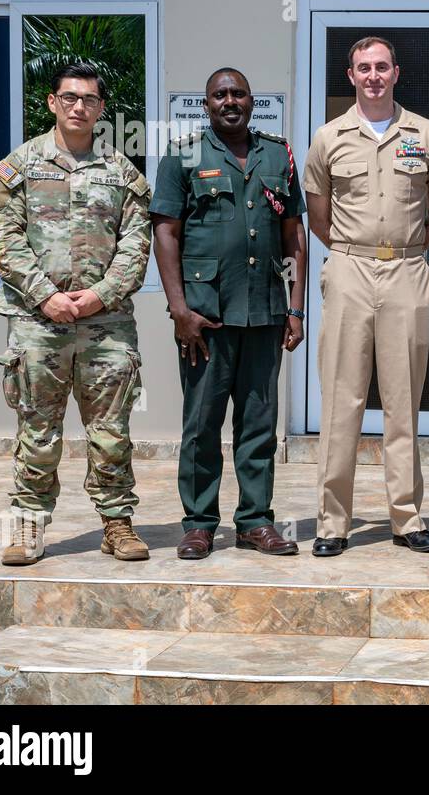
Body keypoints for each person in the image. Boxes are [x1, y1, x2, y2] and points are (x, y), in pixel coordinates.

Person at [0, 62, 152, 565]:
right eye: (69, 97)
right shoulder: (15, 169)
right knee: (37, 429)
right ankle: (28, 527)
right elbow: (7, 241)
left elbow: (136, 243)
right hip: (38, 324)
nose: (79, 106)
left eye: (89, 99)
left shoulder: (122, 173)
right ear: (52, 103)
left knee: (112, 432)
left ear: (101, 109)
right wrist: (45, 296)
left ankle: (117, 525)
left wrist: (101, 294)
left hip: (106, 325)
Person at [151, 68, 307, 559]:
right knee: (201, 424)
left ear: (252, 101)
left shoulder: (278, 154)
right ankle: (198, 523)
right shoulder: (183, 154)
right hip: (205, 317)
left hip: (264, 312)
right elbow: (165, 233)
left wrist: (296, 308)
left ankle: (255, 522)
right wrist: (178, 309)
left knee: (259, 426)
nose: (230, 101)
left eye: (238, 93)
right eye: (220, 94)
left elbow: (293, 236)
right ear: (206, 103)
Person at [304, 36, 429, 556]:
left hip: (408, 267)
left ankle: (406, 517)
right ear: (350, 76)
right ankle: (332, 521)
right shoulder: (329, 137)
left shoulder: (425, 134)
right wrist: (353, 253)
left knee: (404, 401)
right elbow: (318, 215)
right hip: (348, 268)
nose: (373, 76)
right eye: (363, 68)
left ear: (396, 72)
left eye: (381, 67)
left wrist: (407, 250)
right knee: (342, 399)